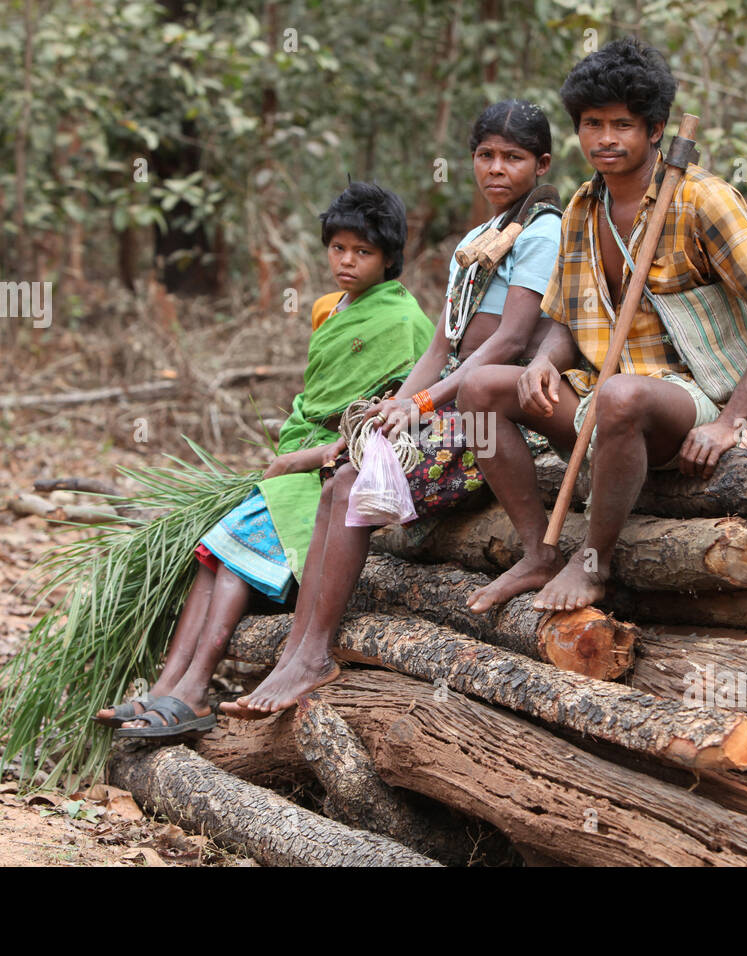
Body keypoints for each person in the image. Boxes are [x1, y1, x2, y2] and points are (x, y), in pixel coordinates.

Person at [220, 99, 563, 718]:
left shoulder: (542, 231)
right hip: (448, 401)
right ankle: (300, 647)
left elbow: (510, 341)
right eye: (485, 155)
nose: (496, 168)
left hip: (489, 415)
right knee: (338, 481)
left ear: (541, 164)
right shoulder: (476, 240)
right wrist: (400, 405)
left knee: (352, 489)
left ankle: (314, 652)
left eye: (513, 157)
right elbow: (443, 344)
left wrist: (426, 402)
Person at [458, 37, 747, 615]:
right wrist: (546, 361)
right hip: (601, 404)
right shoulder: (580, 209)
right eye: (592, 124)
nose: (605, 139)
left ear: (655, 129)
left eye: (622, 124)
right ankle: (536, 551)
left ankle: (593, 562)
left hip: (682, 403)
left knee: (619, 396)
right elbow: (567, 321)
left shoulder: (701, 200)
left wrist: (730, 421)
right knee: (480, 386)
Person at [95, 181, 434, 736]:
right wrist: (291, 453)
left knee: (236, 548)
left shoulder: (403, 323)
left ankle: (196, 688)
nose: (346, 262)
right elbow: (315, 400)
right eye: (338, 248)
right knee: (211, 552)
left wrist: (301, 461)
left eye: (363, 252)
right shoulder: (329, 309)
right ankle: (166, 686)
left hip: (332, 470)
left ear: (390, 258)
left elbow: (383, 425)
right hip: (299, 454)